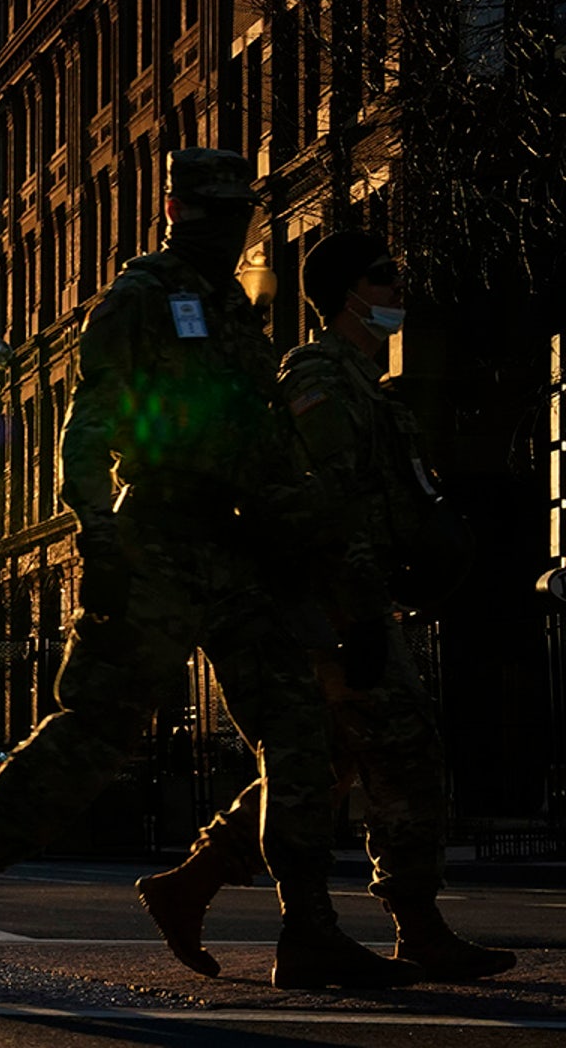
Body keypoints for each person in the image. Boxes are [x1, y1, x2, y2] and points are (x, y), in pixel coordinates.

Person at [0, 149, 422, 992]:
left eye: (235, 209)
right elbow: (89, 421)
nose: (224, 224)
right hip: (160, 537)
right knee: (93, 732)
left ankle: (308, 926)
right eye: (207, 209)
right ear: (174, 210)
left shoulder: (237, 314)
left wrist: (343, 589)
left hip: (240, 551)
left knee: (303, 734)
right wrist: (99, 537)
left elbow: (272, 454)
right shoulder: (139, 297)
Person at [136, 231, 515, 982]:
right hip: (329, 607)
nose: (398, 292)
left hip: (343, 602)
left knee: (326, 763)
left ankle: (190, 885)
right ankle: (415, 924)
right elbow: (327, 510)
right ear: (348, 294)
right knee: (404, 753)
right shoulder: (323, 379)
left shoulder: (365, 384)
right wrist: (362, 615)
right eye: (383, 279)